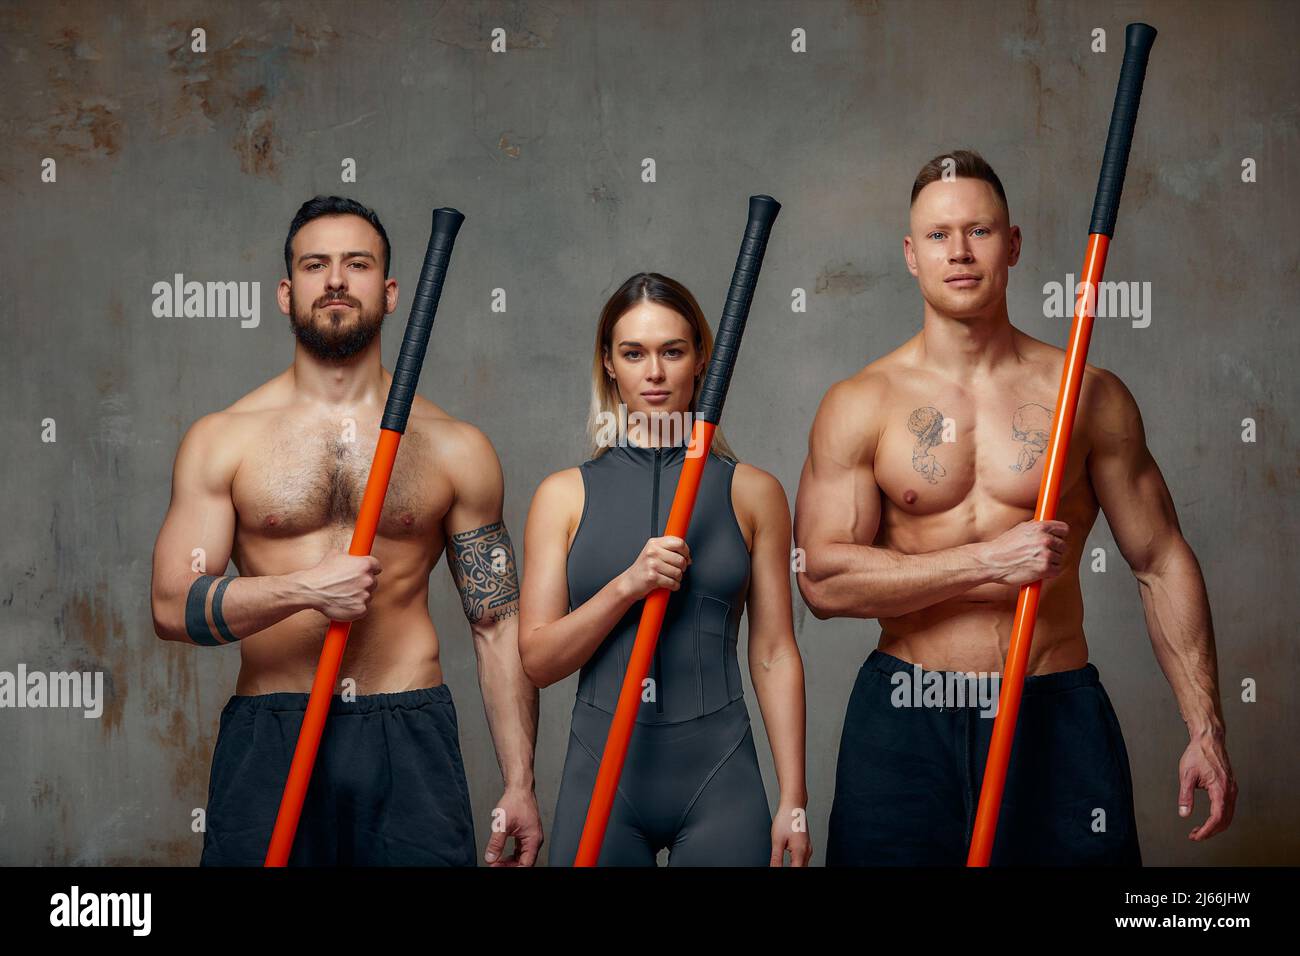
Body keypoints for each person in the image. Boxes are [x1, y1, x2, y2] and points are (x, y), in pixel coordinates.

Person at [795, 150, 1237, 866]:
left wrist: (1206, 726)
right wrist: (985, 561)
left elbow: (1160, 562)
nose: (960, 252)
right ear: (911, 255)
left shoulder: (1086, 393)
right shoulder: (861, 403)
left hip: (1055, 710)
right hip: (908, 720)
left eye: (981, 231)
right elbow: (821, 581)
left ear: (1015, 243)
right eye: (938, 236)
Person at [150, 196, 542, 866]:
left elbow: (496, 624)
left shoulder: (455, 447)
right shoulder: (223, 440)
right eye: (315, 265)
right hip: (271, 732)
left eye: (357, 265)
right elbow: (171, 606)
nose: (335, 280)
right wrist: (302, 589)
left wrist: (520, 781)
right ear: (286, 291)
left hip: (406, 730)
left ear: (390, 293)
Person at [519, 273, 810, 866]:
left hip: (720, 778)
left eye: (672, 351)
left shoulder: (753, 493)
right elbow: (539, 660)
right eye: (634, 353)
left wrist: (794, 798)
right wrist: (628, 586)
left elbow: (775, 651)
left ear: (701, 358)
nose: (654, 373)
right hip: (602, 776)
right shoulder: (562, 496)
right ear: (609, 363)